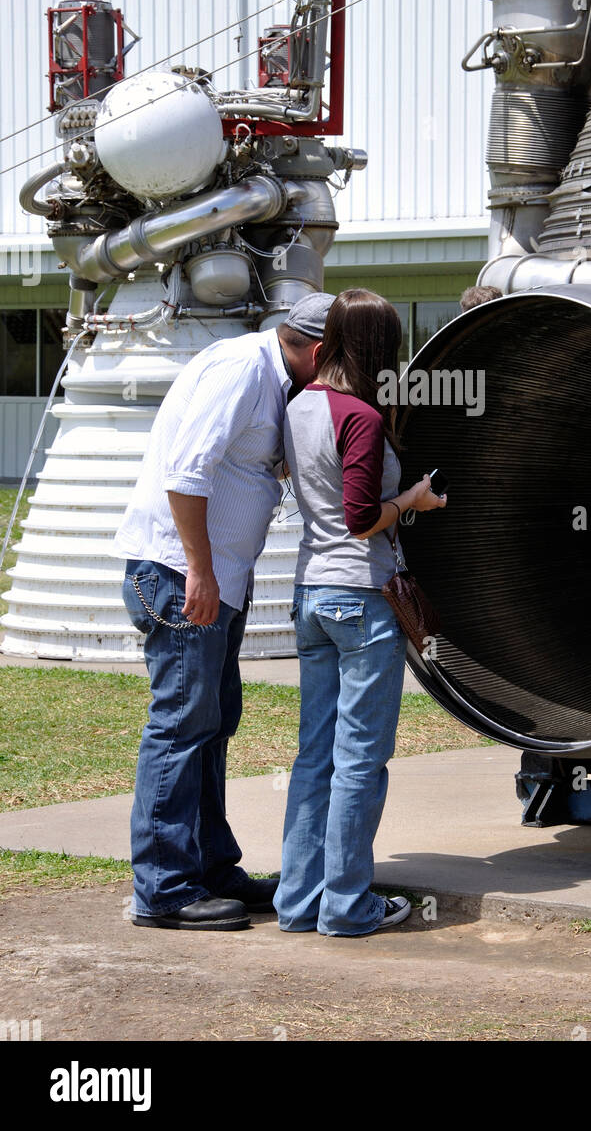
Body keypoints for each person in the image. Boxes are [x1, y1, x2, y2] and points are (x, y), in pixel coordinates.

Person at [112, 292, 335, 932]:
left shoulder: (273, 377)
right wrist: (201, 572)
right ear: (320, 352)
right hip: (181, 577)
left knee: (211, 725)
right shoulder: (242, 369)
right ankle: (163, 890)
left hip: (216, 581)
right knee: (181, 727)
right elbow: (186, 475)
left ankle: (210, 868)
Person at [275, 288, 447, 937]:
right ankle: (347, 907)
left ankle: (299, 902)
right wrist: (413, 500)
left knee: (314, 756)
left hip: (311, 594)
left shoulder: (298, 405)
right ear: (380, 348)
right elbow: (360, 518)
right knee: (359, 761)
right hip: (362, 598)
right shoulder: (360, 417)